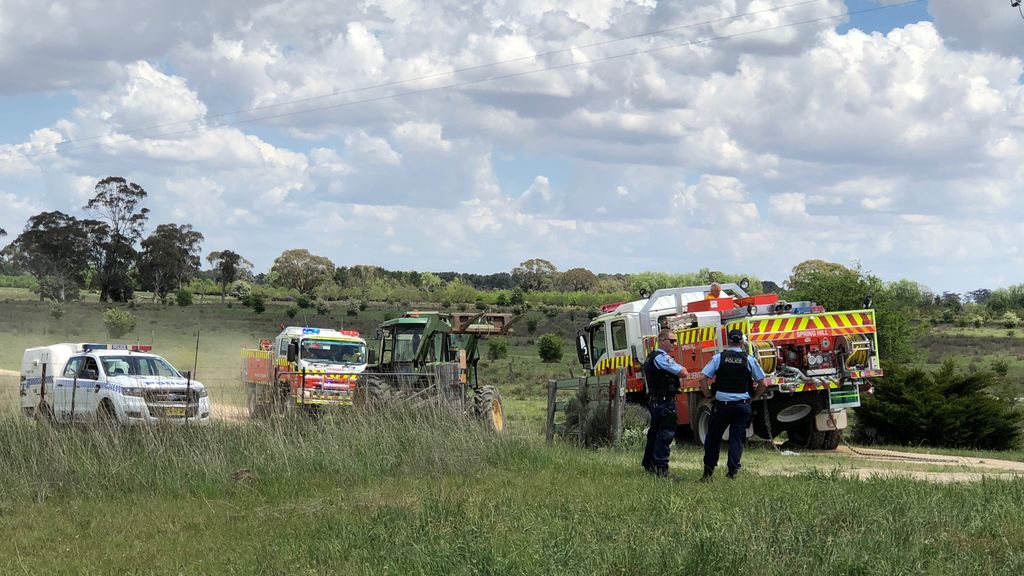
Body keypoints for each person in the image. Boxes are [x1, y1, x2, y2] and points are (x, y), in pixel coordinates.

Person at [698, 329, 767, 481]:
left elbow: (702, 378)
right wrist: (754, 397)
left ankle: (707, 473)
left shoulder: (719, 358)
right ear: (742, 342)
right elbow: (763, 383)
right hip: (742, 406)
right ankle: (732, 473)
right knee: (736, 439)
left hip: (722, 406)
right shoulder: (749, 359)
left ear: (728, 341)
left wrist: (709, 396)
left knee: (713, 438)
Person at [641, 329, 688, 477]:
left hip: (656, 401)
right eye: (671, 341)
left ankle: (650, 465)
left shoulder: (651, 357)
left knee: (654, 434)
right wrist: (682, 367)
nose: (674, 344)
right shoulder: (662, 358)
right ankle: (661, 469)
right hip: (664, 402)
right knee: (665, 434)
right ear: (661, 341)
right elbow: (683, 372)